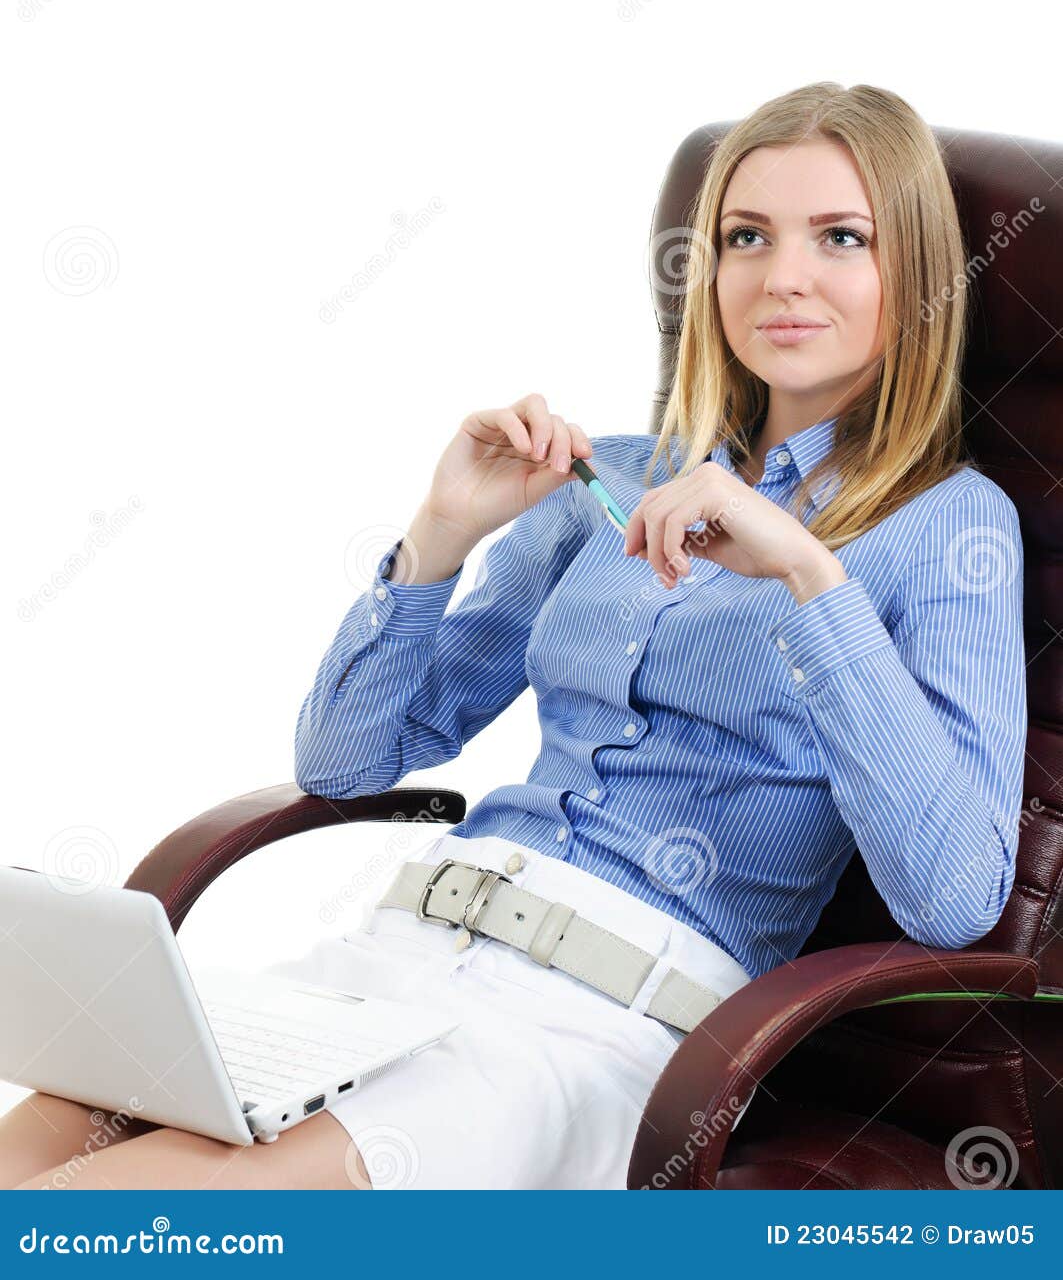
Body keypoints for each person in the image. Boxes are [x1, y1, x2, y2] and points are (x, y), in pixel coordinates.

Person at [0, 81, 1026, 1190]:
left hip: (584, 1028)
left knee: (99, 1217)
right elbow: (344, 762)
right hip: (388, 958)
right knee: (44, 1144)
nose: (781, 275)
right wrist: (439, 535)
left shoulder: (948, 525)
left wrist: (806, 574)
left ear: (913, 272)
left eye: (840, 237)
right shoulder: (617, 479)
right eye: (744, 236)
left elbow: (956, 894)